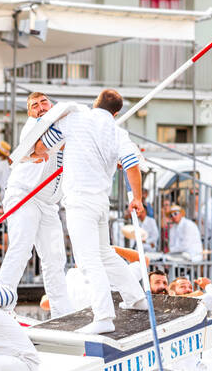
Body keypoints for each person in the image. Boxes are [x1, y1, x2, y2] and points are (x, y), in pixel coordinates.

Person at [30, 89, 146, 333]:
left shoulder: (76, 116)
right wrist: (137, 198)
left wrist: (33, 152)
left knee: (88, 261)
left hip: (80, 201)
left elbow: (43, 145)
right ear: (115, 113)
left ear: (96, 102)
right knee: (104, 254)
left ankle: (103, 317)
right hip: (101, 202)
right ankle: (136, 298)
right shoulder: (118, 132)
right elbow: (132, 166)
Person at [0, 92, 71, 316]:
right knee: (21, 249)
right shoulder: (34, 126)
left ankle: (61, 313)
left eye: (43, 102)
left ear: (52, 104)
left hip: (47, 202)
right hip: (24, 194)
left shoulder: (63, 125)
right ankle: (1, 306)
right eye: (34, 105)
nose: (39, 107)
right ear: (30, 112)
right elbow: (40, 148)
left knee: (55, 257)